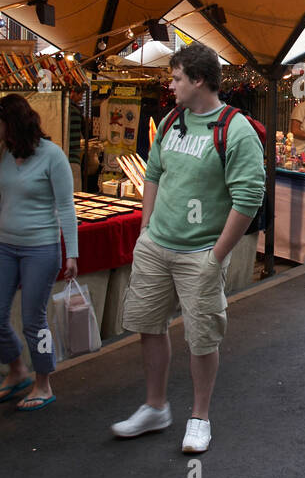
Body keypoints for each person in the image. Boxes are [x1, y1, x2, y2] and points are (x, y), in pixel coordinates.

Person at [112, 43, 265, 452]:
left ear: (198, 79)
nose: (171, 85)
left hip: (200, 253)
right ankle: (156, 406)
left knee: (202, 336)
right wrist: (145, 227)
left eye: (177, 78)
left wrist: (216, 256)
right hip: (157, 245)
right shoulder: (171, 120)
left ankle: (199, 416)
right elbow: (154, 173)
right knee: (148, 324)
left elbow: (249, 198)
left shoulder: (236, 129)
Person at [0, 94, 79, 412]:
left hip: (41, 247)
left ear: (12, 124)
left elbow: (66, 206)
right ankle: (17, 370)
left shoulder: (52, 156)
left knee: (33, 319)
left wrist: (71, 253)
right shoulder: (4, 153)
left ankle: (43, 382)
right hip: (5, 245)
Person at [68, 87, 87, 192]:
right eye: (80, 94)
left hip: (65, 157)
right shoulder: (73, 111)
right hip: (73, 158)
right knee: (75, 194)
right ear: (73, 93)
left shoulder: (63, 108)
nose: (81, 98)